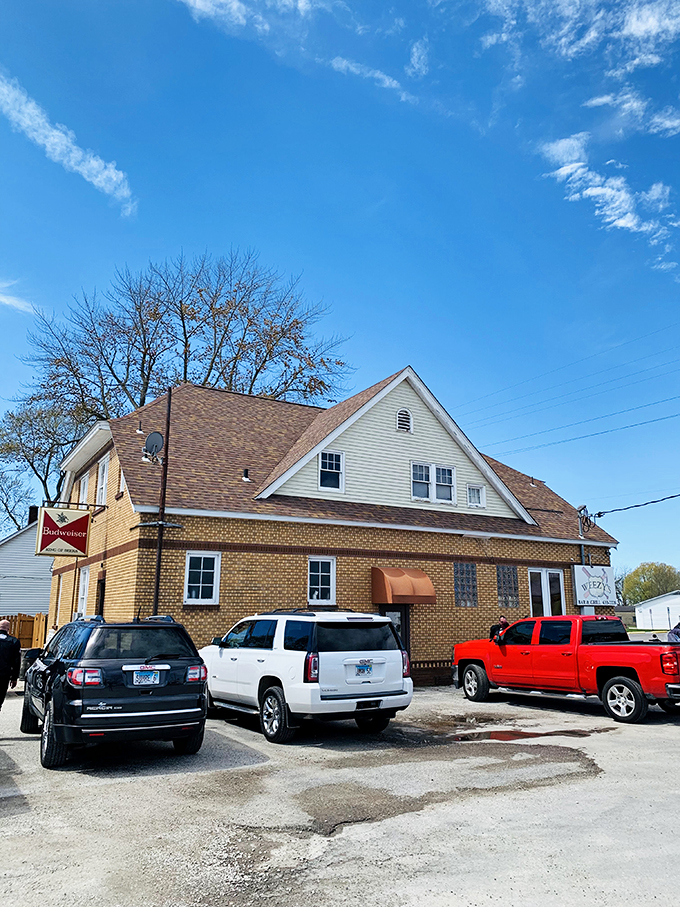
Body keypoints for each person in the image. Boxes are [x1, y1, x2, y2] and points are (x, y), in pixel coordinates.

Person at [0, 619, 21, 713]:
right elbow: (16, 661)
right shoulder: (13, 642)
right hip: (4, 675)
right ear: (8, 629)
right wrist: (14, 678)